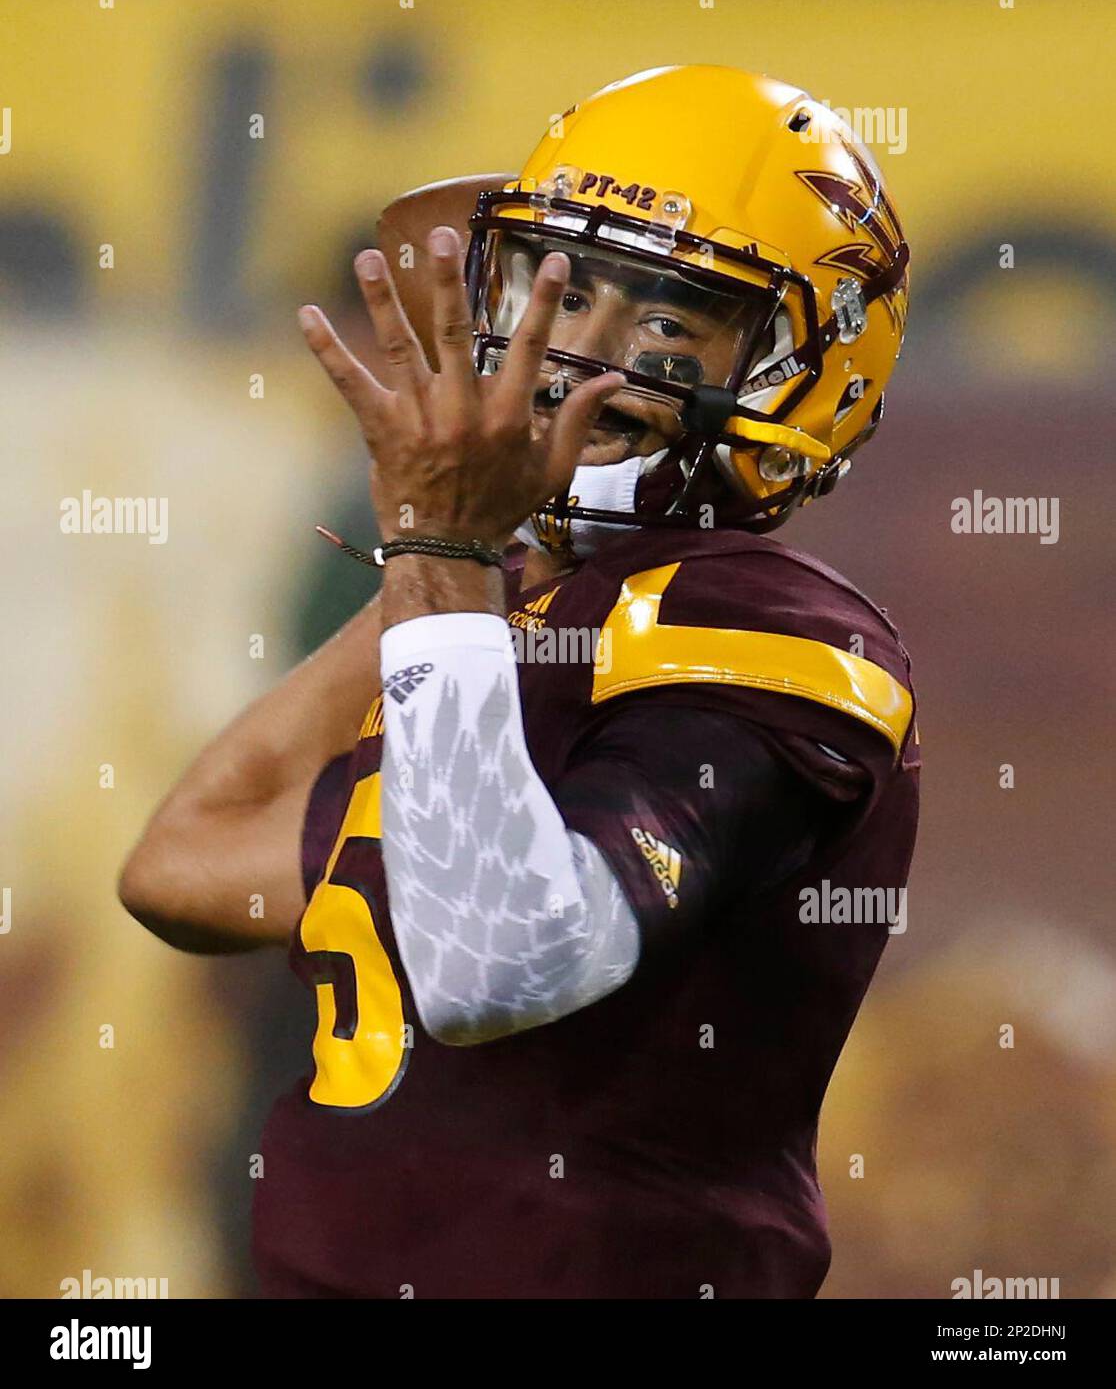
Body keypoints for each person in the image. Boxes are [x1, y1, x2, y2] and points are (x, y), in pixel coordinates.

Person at [120, 65, 919, 1298]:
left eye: (662, 324)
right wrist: (447, 549)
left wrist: (446, 548)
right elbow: (180, 864)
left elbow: (496, 964)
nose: (572, 357)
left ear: (794, 374)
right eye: (561, 295)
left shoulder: (768, 626)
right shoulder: (505, 613)